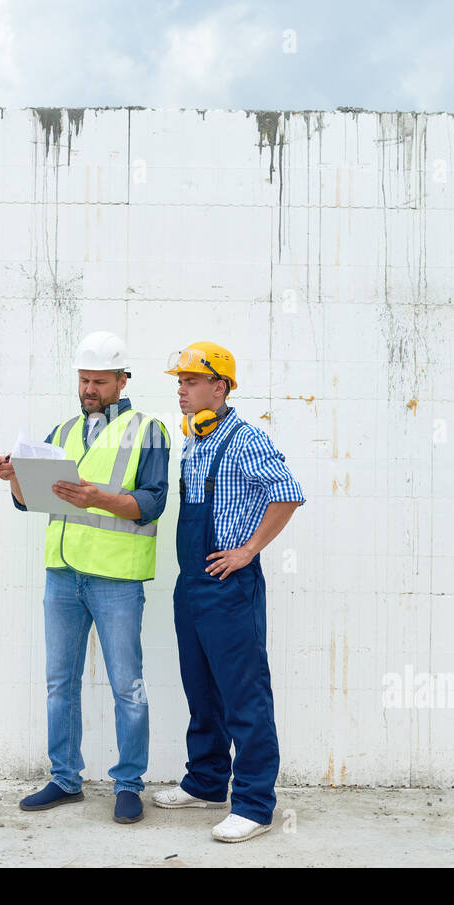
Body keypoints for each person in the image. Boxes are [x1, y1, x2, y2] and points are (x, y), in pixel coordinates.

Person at [0, 331, 171, 825]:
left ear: (122, 380)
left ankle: (128, 784)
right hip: (63, 575)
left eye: (99, 381)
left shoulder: (149, 430)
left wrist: (98, 498)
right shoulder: (63, 430)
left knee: (126, 686)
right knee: (59, 683)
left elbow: (153, 503)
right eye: (84, 379)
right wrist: (16, 480)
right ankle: (65, 778)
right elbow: (35, 501)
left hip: (116, 578)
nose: (89, 388)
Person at [151, 341, 304, 843]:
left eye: (191, 382)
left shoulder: (244, 439)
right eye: (180, 382)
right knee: (201, 688)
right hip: (191, 584)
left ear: (220, 386)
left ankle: (256, 804)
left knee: (245, 695)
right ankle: (207, 782)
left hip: (228, 584)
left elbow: (288, 492)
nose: (182, 391)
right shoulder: (195, 441)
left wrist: (248, 551)